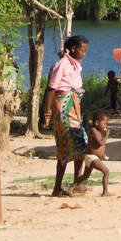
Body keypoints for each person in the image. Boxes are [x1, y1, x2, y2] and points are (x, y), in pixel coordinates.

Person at [42, 34, 89, 197]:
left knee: (80, 144)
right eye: (82, 50)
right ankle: (57, 187)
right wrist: (47, 112)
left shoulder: (76, 64)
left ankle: (76, 183)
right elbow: (51, 88)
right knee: (71, 143)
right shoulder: (62, 64)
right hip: (65, 106)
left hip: (74, 106)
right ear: (74, 49)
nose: (84, 53)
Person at [73, 111, 112, 197]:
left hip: (92, 157)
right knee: (106, 171)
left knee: (85, 176)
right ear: (97, 123)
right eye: (105, 123)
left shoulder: (98, 132)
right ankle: (105, 192)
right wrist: (106, 135)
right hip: (91, 157)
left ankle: (71, 188)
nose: (106, 126)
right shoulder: (93, 131)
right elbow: (100, 143)